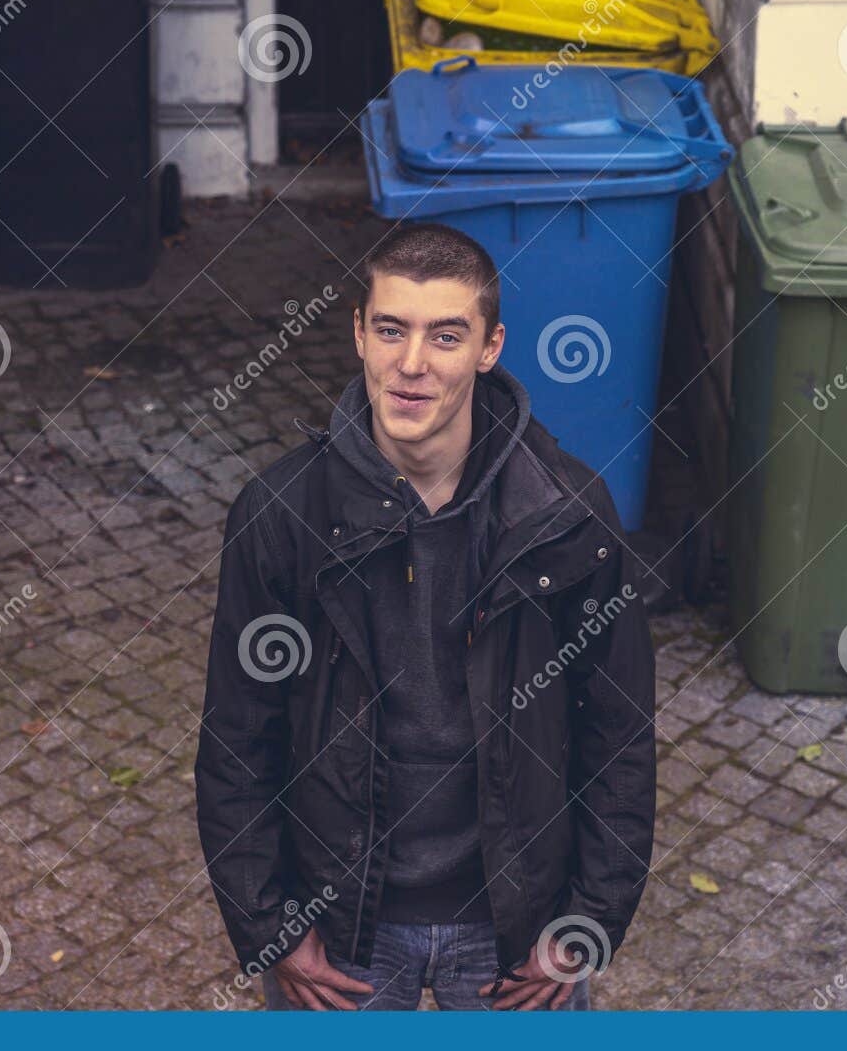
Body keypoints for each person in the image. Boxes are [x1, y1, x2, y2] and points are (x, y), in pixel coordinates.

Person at [195, 222, 655, 1011]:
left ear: (490, 346)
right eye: (391, 329)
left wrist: (587, 918)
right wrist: (272, 927)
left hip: (515, 928)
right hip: (343, 930)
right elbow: (237, 740)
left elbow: (619, 737)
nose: (412, 365)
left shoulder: (568, 513)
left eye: (445, 336)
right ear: (358, 335)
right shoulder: (281, 515)